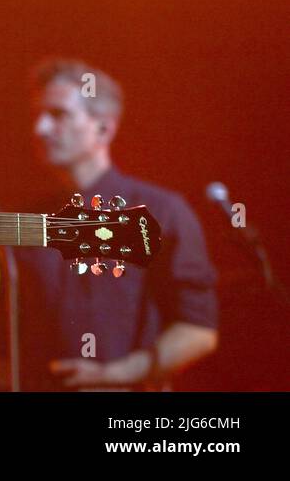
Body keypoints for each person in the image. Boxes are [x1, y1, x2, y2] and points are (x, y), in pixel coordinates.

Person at [16, 57, 219, 389]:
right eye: (38, 116)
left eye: (58, 115)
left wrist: (119, 374)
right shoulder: (29, 217)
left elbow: (199, 329)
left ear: (104, 128)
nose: (40, 129)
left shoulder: (162, 211)